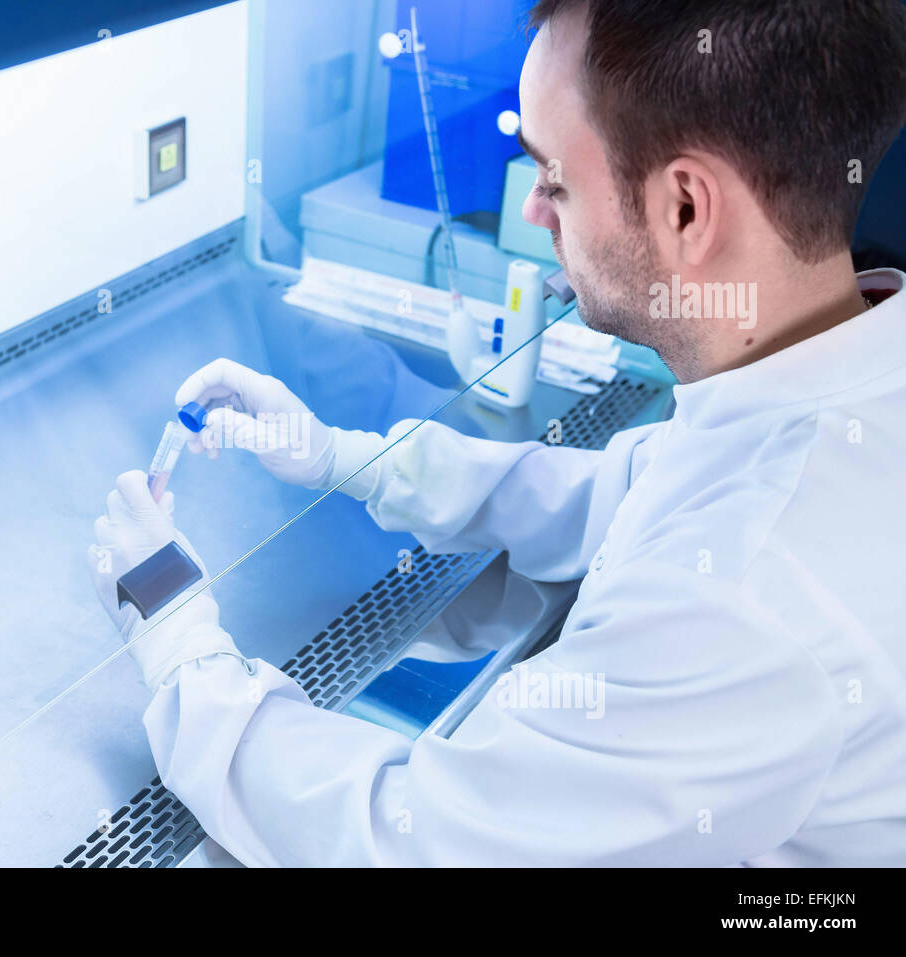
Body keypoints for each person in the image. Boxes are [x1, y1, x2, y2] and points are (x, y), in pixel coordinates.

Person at [89, 0, 906, 865]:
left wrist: (181, 650)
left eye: (553, 180)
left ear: (686, 210)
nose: (536, 214)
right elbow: (620, 492)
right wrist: (347, 458)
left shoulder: (745, 602)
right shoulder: (829, 382)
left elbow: (416, 839)